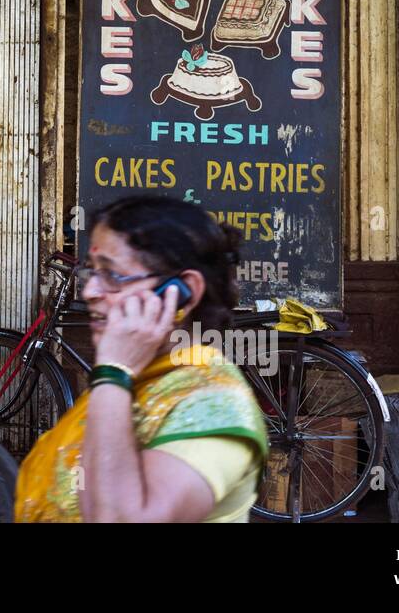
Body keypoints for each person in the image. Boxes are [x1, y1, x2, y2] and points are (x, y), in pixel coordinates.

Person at [14, 195, 267, 523]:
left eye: (112, 275)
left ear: (182, 290)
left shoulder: (212, 401)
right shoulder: (135, 382)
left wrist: (113, 372)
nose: (90, 292)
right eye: (92, 273)